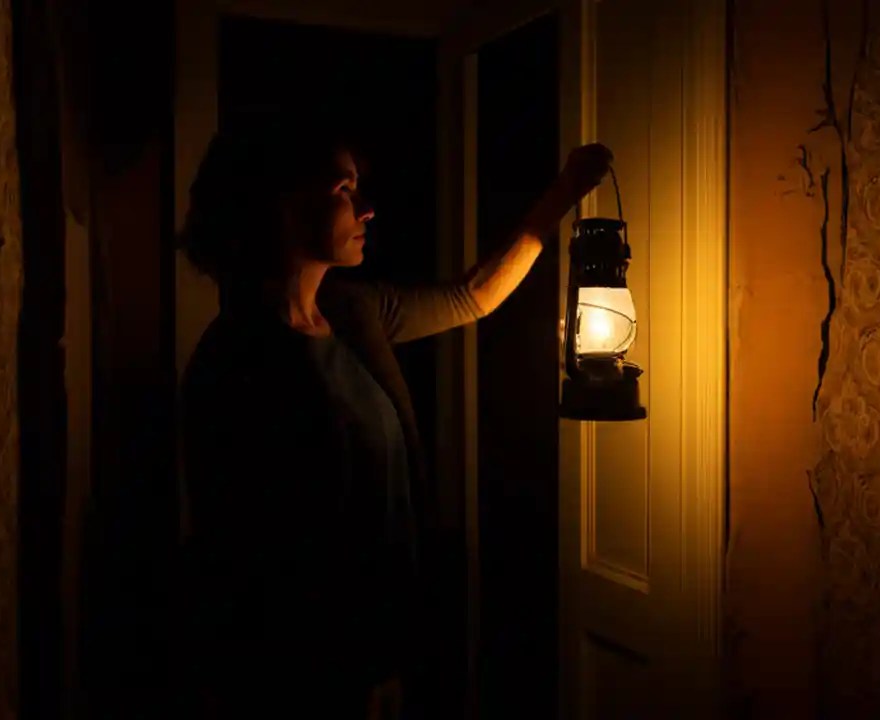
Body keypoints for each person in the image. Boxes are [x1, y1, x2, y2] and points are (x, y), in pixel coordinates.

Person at [178, 116, 611, 718]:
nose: (366, 209)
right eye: (343, 190)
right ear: (280, 203)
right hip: (301, 675)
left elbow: (473, 296)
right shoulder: (236, 365)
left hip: (383, 649)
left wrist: (564, 194)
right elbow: (252, 560)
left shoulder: (352, 313)